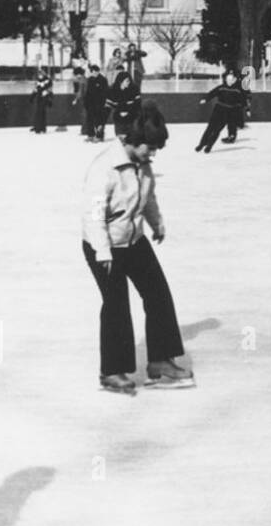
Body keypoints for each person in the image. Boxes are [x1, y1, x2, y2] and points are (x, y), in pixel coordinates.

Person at [81, 101, 193, 394]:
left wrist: (156, 223)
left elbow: (149, 197)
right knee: (116, 305)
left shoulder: (143, 167)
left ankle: (160, 362)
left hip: (134, 240)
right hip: (103, 243)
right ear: (133, 139)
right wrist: (103, 251)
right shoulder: (104, 168)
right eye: (150, 147)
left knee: (158, 295)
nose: (153, 153)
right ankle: (112, 373)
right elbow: (93, 215)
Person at [196, 70, 247, 153]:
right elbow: (212, 93)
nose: (229, 81)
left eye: (231, 80)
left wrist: (245, 109)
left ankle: (209, 146)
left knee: (217, 130)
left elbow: (242, 102)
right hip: (218, 111)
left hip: (228, 113)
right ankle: (201, 144)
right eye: (228, 80)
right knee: (210, 128)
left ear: (234, 80)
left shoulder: (238, 90)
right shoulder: (221, 87)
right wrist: (205, 99)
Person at [106, 71, 140, 138]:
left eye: (129, 81)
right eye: (127, 81)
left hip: (131, 117)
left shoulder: (134, 89)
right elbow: (110, 105)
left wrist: (128, 111)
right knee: (121, 138)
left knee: (131, 138)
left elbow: (137, 104)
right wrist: (120, 111)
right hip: (118, 117)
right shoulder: (112, 90)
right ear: (120, 81)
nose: (129, 82)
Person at [83, 64, 110, 143]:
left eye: (96, 71)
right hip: (91, 104)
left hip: (100, 104)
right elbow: (87, 92)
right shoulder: (90, 79)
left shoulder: (103, 80)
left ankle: (100, 136)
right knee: (90, 120)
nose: (95, 73)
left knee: (99, 121)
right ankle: (90, 135)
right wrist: (86, 103)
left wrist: (102, 103)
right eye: (93, 72)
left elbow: (105, 92)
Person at [29, 68, 53, 135]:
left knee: (41, 112)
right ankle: (39, 127)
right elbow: (35, 89)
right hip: (39, 98)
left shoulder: (48, 80)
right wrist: (32, 97)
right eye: (39, 73)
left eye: (42, 72)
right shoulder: (38, 81)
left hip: (45, 98)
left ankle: (40, 128)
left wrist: (47, 94)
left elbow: (50, 89)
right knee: (39, 112)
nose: (40, 74)